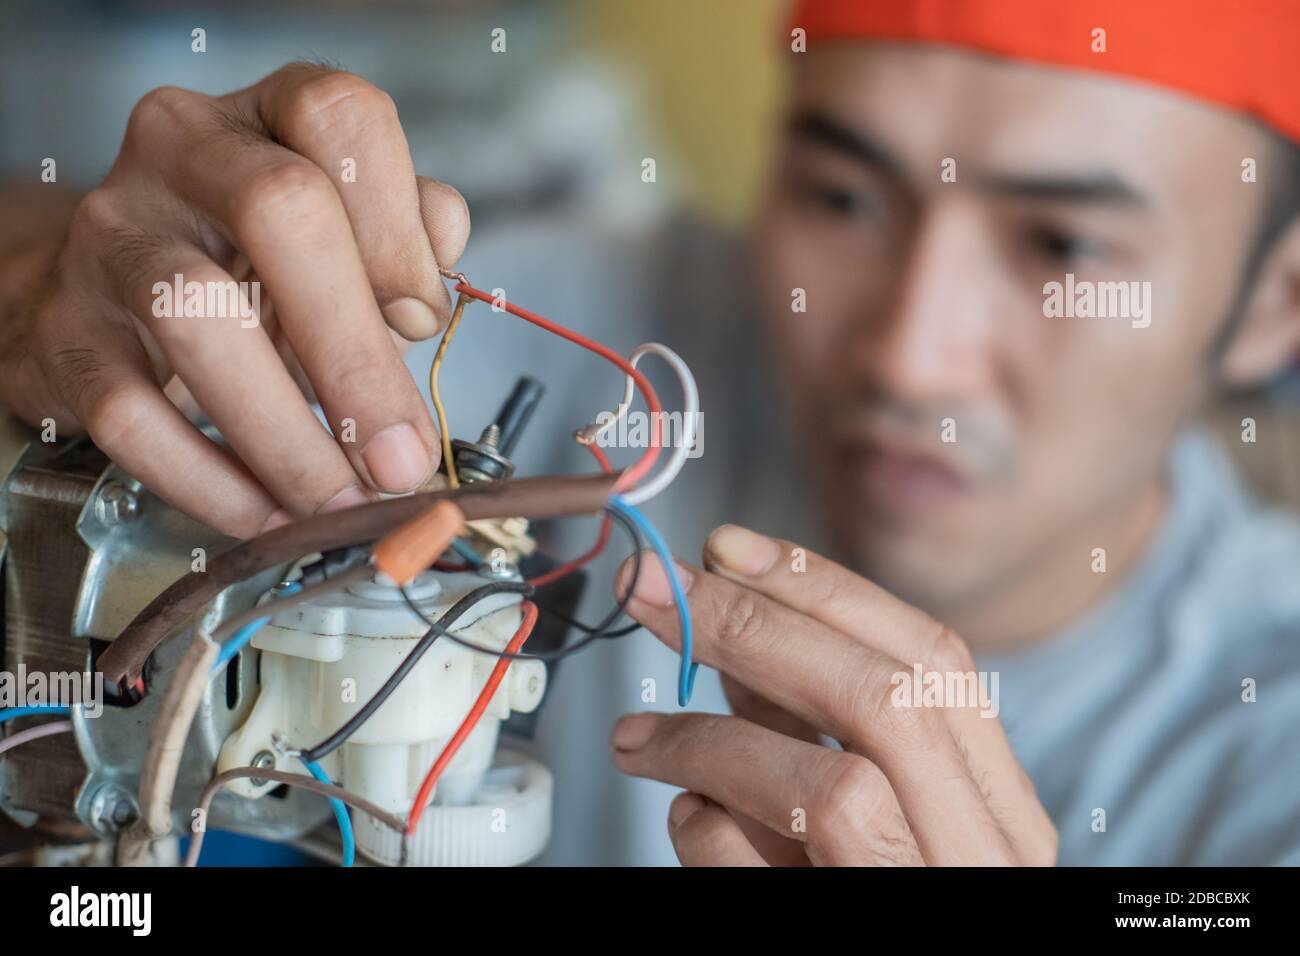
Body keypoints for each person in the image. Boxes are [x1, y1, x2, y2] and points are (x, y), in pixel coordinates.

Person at [2, 0, 1298, 865]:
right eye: (844, 194)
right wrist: (47, 301)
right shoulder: (610, 333)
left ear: (1274, 304)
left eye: (1063, 245)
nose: (908, 351)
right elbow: (159, 322)